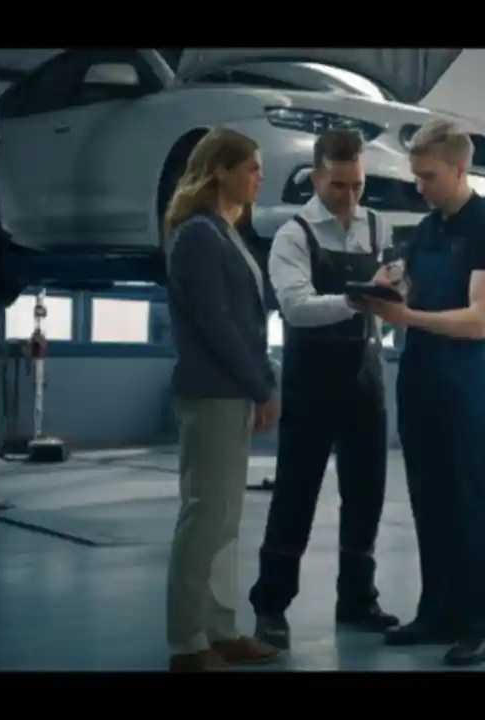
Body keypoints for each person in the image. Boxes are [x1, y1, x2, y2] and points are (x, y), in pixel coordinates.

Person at [358, 119, 485, 667]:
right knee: (430, 500)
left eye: (427, 176)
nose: (419, 186)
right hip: (421, 377)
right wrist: (391, 284)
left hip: (467, 381)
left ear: (460, 168)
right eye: (415, 176)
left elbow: (479, 321)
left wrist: (404, 315)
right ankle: (440, 613)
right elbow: (415, 284)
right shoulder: (426, 231)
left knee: (477, 500)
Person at [248, 129, 399, 650]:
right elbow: (295, 306)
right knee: (296, 493)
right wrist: (359, 301)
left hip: (366, 380)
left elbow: (393, 294)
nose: (350, 197)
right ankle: (271, 605)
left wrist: (398, 293)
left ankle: (357, 600)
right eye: (338, 185)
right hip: (311, 381)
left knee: (366, 494)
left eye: (358, 185)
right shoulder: (293, 235)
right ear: (316, 177)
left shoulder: (379, 226)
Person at [162, 127, 283, 672]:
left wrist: (260, 381)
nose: (260, 176)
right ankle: (188, 642)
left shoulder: (227, 233)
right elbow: (216, 324)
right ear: (220, 171)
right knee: (204, 515)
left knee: (226, 520)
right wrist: (261, 385)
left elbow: (247, 325)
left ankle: (221, 627)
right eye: (252, 167)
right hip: (211, 393)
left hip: (232, 391)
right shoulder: (197, 237)